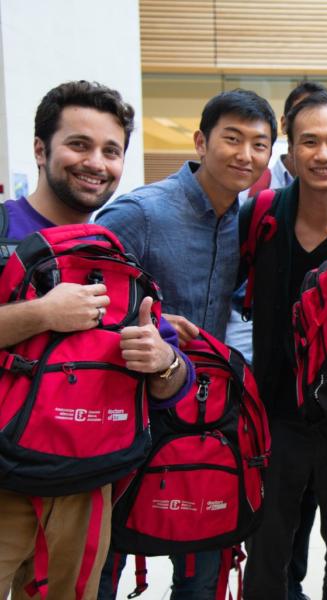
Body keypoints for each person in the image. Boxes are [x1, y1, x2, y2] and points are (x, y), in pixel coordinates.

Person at [0, 80, 192, 599]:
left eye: (111, 151)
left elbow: (174, 378)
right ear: (41, 149)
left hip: (86, 486)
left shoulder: (116, 257)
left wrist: (164, 360)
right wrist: (41, 313)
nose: (96, 163)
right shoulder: (3, 229)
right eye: (79, 145)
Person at [95, 88, 276, 599]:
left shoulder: (245, 219)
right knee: (105, 561)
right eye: (232, 139)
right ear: (201, 140)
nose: (245, 154)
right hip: (127, 415)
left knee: (202, 567)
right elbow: (86, 297)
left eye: (259, 144)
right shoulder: (140, 214)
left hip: (204, 416)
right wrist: (146, 318)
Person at [243, 90, 327, 600]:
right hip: (276, 422)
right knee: (271, 558)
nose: (323, 154)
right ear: (289, 153)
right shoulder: (263, 215)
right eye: (309, 142)